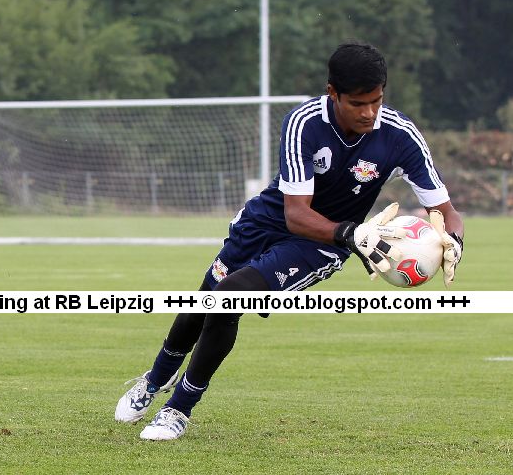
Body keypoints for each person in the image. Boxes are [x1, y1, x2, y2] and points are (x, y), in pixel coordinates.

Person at [114, 42, 464, 440]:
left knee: (229, 297)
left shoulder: (399, 135)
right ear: (333, 93)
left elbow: (447, 211)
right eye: (358, 103)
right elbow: (296, 213)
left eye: (377, 100)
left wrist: (452, 241)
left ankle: (178, 407)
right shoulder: (304, 123)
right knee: (203, 300)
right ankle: (155, 379)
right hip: (272, 219)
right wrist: (350, 232)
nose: (369, 112)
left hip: (321, 244)